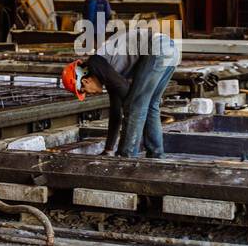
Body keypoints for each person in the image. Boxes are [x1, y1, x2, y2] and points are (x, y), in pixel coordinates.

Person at [61, 25, 179, 158]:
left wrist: (137, 106)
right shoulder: (107, 73)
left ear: (85, 81)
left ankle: (126, 157)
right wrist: (108, 149)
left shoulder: (96, 62)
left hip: (158, 49)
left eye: (85, 91)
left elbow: (130, 98)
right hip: (170, 50)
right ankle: (157, 155)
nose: (89, 94)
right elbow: (116, 113)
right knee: (150, 105)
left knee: (135, 105)